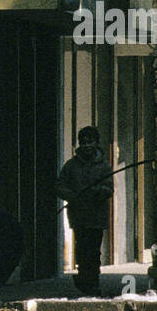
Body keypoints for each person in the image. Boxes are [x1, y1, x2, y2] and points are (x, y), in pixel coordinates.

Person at [57, 125, 113, 297]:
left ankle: (93, 284)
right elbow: (60, 187)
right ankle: (84, 281)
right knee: (82, 250)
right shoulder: (71, 166)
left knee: (94, 252)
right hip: (79, 216)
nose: (87, 145)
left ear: (96, 143)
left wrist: (97, 192)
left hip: (97, 217)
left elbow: (109, 189)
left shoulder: (104, 166)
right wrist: (73, 196)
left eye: (90, 142)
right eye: (84, 142)